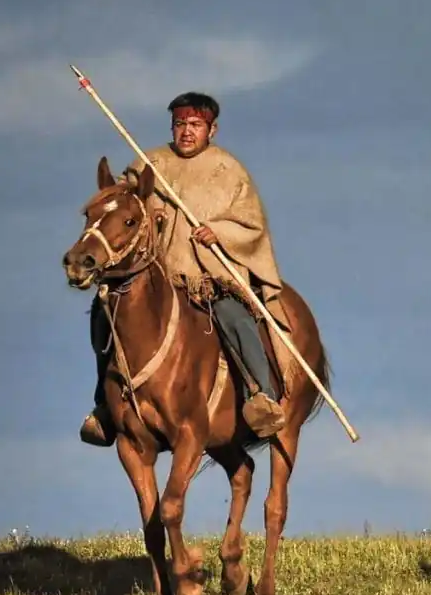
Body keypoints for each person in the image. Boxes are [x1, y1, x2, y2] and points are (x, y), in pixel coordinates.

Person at [80, 91, 292, 445]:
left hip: (208, 279)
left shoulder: (229, 172)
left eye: (195, 125)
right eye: (180, 125)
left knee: (236, 318)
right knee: (104, 315)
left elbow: (251, 224)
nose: (187, 132)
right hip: (157, 278)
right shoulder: (151, 163)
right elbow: (125, 201)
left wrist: (219, 232)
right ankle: (105, 405)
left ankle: (261, 395)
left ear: (213, 129)